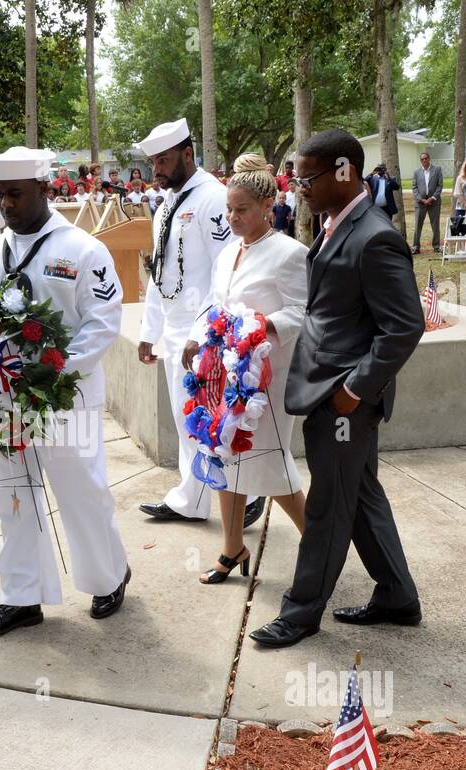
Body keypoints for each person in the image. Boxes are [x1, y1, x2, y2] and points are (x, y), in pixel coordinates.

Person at [250, 130, 423, 649]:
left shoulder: (375, 237)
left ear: (344, 171)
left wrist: (355, 388)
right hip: (326, 388)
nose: (298, 187)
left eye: (307, 177)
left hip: (346, 397)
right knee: (362, 496)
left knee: (327, 506)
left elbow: (404, 327)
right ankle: (397, 595)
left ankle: (300, 614)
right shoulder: (334, 226)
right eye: (296, 177)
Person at [0, 146, 131, 637]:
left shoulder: (83, 249)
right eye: (0, 196)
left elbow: (101, 324)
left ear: (44, 189)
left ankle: (109, 575)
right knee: (13, 495)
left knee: (81, 490)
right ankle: (23, 595)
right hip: (3, 397)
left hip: (66, 397)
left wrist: (54, 377)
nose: (7, 205)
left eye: (15, 195)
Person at [181, 155, 308, 585]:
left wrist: (263, 326)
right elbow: (214, 304)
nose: (233, 218)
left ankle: (318, 542)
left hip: (266, 380)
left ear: (268, 205)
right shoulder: (227, 253)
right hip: (223, 375)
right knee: (224, 452)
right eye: (229, 210)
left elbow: (304, 312)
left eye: (242, 210)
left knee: (270, 462)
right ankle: (232, 548)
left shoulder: (291, 253)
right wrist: (197, 337)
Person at [133, 119, 262, 528]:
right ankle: (192, 498)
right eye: (153, 161)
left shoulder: (213, 199)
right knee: (185, 419)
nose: (157, 169)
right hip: (174, 332)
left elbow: (227, 272)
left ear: (188, 154)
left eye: (165, 159)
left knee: (216, 421)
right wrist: (148, 333)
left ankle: (251, 493)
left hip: (205, 334)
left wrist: (201, 332)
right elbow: (160, 276)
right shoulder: (167, 205)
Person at [411, 151, 443, 254]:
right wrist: (421, 199)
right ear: (420, 161)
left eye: (426, 158)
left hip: (434, 202)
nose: (424, 160)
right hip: (420, 203)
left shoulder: (437, 169)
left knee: (435, 225)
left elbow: (439, 186)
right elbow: (414, 187)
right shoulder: (416, 172)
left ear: (429, 159)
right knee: (417, 225)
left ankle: (437, 246)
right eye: (422, 159)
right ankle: (416, 247)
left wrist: (433, 198)